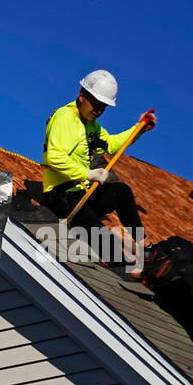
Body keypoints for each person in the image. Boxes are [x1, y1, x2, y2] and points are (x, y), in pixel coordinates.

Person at [42, 69, 157, 276]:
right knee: (98, 233)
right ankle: (126, 269)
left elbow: (111, 145)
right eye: (96, 104)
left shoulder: (91, 126)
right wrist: (88, 175)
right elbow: (54, 157)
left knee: (120, 191)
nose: (99, 110)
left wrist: (138, 128)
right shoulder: (65, 117)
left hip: (82, 192)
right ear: (82, 95)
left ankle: (145, 247)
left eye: (103, 106)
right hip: (61, 195)